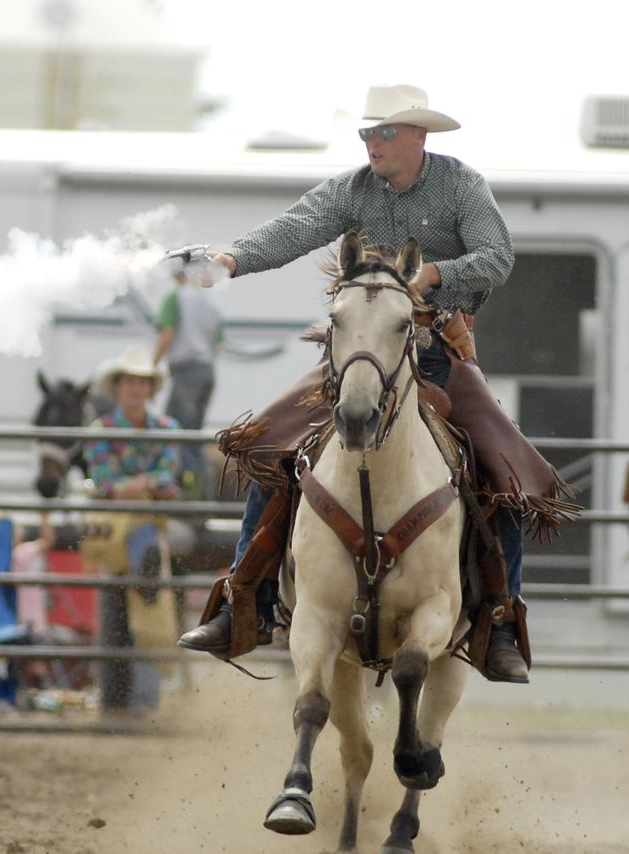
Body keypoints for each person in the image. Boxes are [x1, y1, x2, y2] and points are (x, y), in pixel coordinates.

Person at [177, 84, 575, 683]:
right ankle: (245, 599)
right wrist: (231, 259)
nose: (372, 143)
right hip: (358, 350)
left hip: (439, 349)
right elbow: (295, 228)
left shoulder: (462, 185)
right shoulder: (351, 189)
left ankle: (499, 619)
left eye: (384, 132)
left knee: (506, 469)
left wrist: (433, 274)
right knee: (271, 447)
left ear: (418, 136)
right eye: (367, 132)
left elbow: (496, 257)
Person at [80, 346, 181, 712]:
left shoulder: (157, 429)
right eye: (131, 381)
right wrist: (145, 484)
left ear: (150, 389)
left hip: (133, 530)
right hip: (125, 528)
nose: (137, 388)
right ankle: (141, 700)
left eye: (143, 382)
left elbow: (116, 480)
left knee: (136, 596)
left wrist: (127, 485)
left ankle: (131, 699)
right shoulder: (160, 430)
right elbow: (110, 481)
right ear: (119, 386)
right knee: (149, 600)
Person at [153, 266, 224, 498]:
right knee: (194, 433)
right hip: (207, 371)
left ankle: (186, 491)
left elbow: (167, 334)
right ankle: (202, 488)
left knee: (176, 430)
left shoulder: (176, 297)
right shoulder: (210, 302)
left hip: (186, 370)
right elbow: (218, 342)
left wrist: (152, 367)